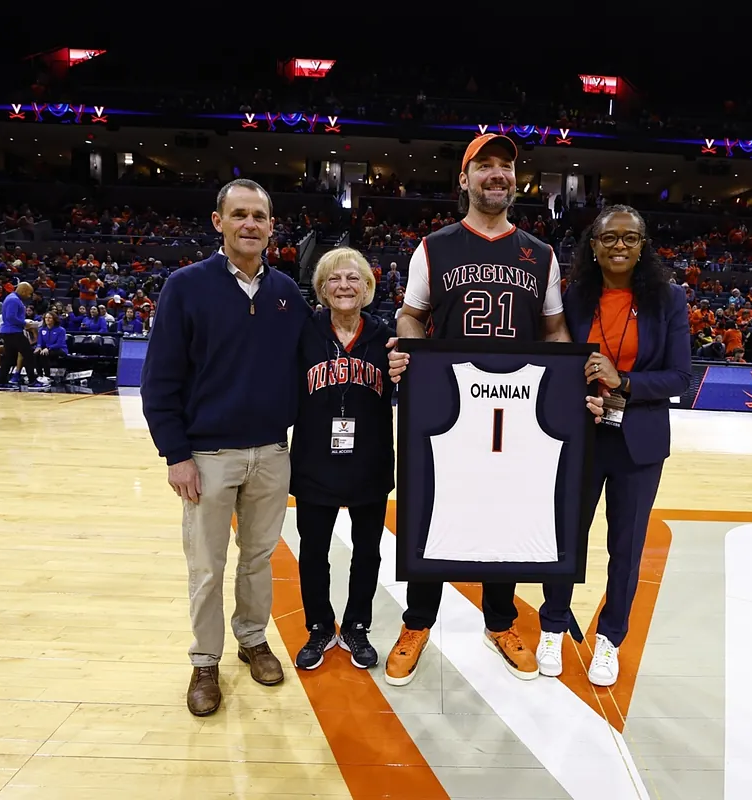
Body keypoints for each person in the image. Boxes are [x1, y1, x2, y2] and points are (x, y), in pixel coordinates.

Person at [382, 133, 579, 687]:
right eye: (484, 166)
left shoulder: (540, 255)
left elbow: (555, 329)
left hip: (517, 407)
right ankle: (418, 622)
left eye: (505, 168)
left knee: (506, 509)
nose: (497, 175)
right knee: (432, 505)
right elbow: (410, 316)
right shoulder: (434, 247)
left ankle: (500, 621)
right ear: (464, 180)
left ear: (516, 181)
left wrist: (564, 386)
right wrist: (409, 355)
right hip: (451, 402)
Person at [140, 179, 310, 716]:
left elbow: (313, 362)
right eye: (239, 215)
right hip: (208, 456)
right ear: (219, 222)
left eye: (259, 216)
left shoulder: (286, 292)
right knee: (207, 566)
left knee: (259, 560)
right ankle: (205, 660)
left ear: (271, 225)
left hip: (270, 451)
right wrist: (176, 455)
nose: (250, 224)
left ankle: (253, 638)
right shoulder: (185, 286)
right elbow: (159, 380)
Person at [535, 205, 692, 687]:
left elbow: (681, 378)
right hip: (579, 435)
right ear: (593, 246)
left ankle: (610, 638)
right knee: (565, 538)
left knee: (626, 548)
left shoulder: (669, 300)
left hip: (637, 442)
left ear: (643, 244)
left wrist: (622, 380)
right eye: (609, 238)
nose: (619, 245)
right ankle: (553, 626)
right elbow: (553, 362)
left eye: (630, 237)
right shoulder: (573, 297)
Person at [290, 248, 395, 671]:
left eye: (354, 279)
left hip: (369, 461)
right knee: (313, 551)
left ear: (368, 287)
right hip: (315, 460)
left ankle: (356, 625)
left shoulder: (385, 336)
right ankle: (318, 625)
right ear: (321, 289)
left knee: (367, 552)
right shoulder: (303, 332)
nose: (344, 286)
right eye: (334, 280)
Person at [0, 282, 39, 389]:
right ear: (23, 291)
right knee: (28, 354)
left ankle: (1, 382)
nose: (29, 296)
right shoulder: (13, 300)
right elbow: (11, 317)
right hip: (13, 332)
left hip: (9, 331)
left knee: (9, 357)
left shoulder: (12, 298)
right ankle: (32, 381)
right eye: (29, 294)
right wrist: (25, 323)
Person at [34, 312, 68, 380]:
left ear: (54, 319)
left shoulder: (61, 330)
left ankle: (47, 376)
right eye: (46, 318)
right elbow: (40, 342)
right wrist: (38, 347)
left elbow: (59, 344)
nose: (47, 319)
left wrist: (49, 348)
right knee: (36, 353)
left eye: (49, 318)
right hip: (46, 348)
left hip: (60, 349)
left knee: (44, 354)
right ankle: (39, 375)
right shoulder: (41, 330)